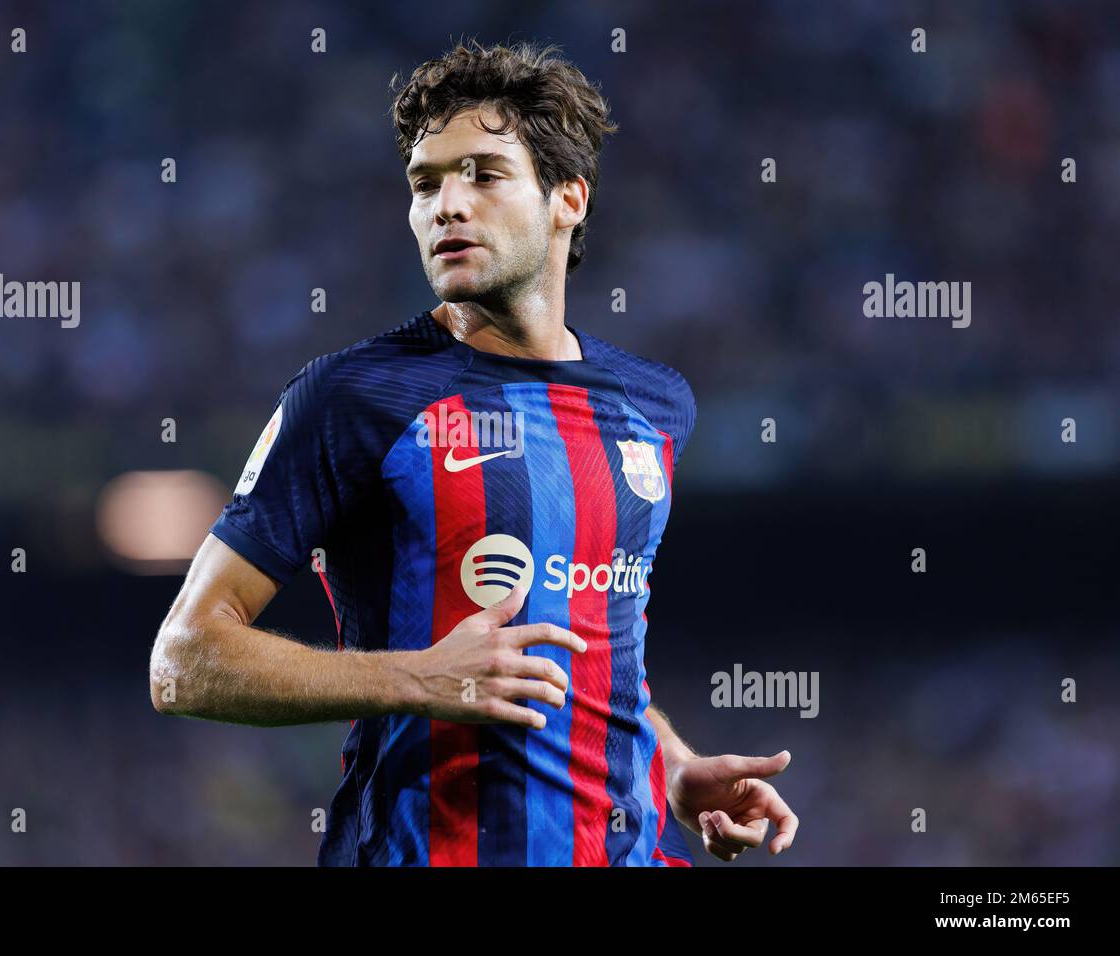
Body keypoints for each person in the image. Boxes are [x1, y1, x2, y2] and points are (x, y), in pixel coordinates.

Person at [150, 39, 798, 866]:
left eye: (483, 175)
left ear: (569, 199)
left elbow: (593, 640)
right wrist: (419, 678)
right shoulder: (356, 396)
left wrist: (669, 763)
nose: (447, 205)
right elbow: (185, 659)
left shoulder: (654, 407)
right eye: (426, 184)